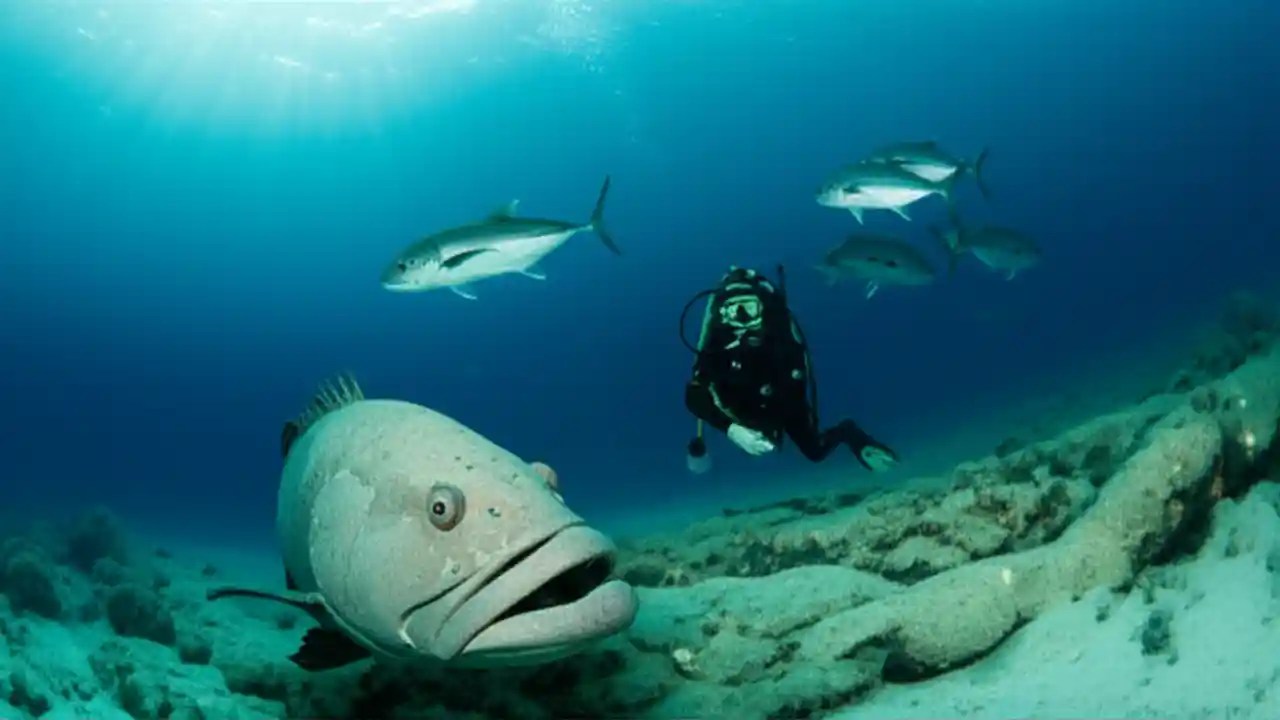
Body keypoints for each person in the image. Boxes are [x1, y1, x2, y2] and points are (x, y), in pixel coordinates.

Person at [679, 265, 899, 474]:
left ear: (763, 309)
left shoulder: (780, 337)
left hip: (786, 405)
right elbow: (694, 396)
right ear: (723, 316)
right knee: (762, 445)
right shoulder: (717, 349)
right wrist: (732, 430)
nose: (744, 318)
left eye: (749, 308)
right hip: (742, 413)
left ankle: (852, 435)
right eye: (735, 311)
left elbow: (797, 383)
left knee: (816, 452)